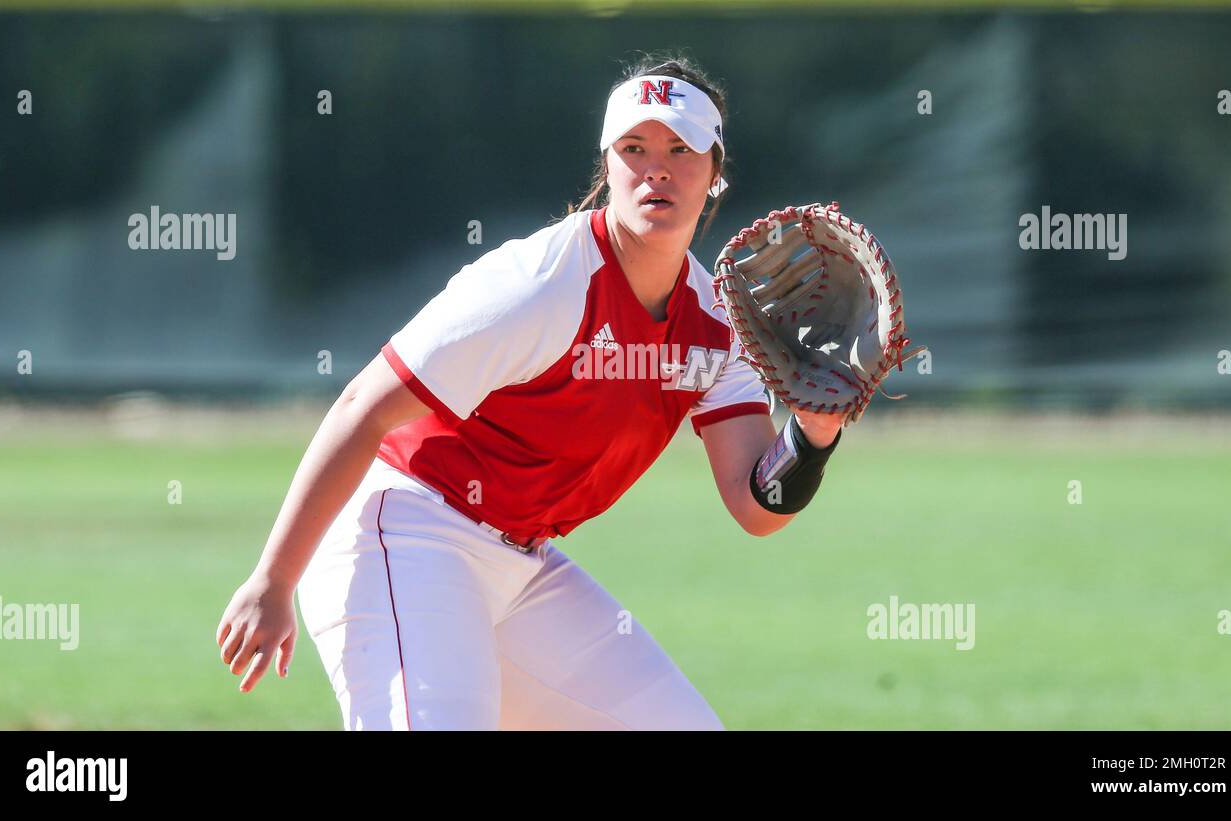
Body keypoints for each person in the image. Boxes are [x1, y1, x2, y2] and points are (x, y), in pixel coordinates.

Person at [215, 54, 846, 730]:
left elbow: (755, 504)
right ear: (608, 164)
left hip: (520, 565)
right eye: (634, 147)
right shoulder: (543, 283)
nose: (655, 167)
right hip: (404, 531)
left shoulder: (716, 323)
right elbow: (361, 407)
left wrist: (812, 434)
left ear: (715, 171)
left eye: (680, 148)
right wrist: (274, 578)